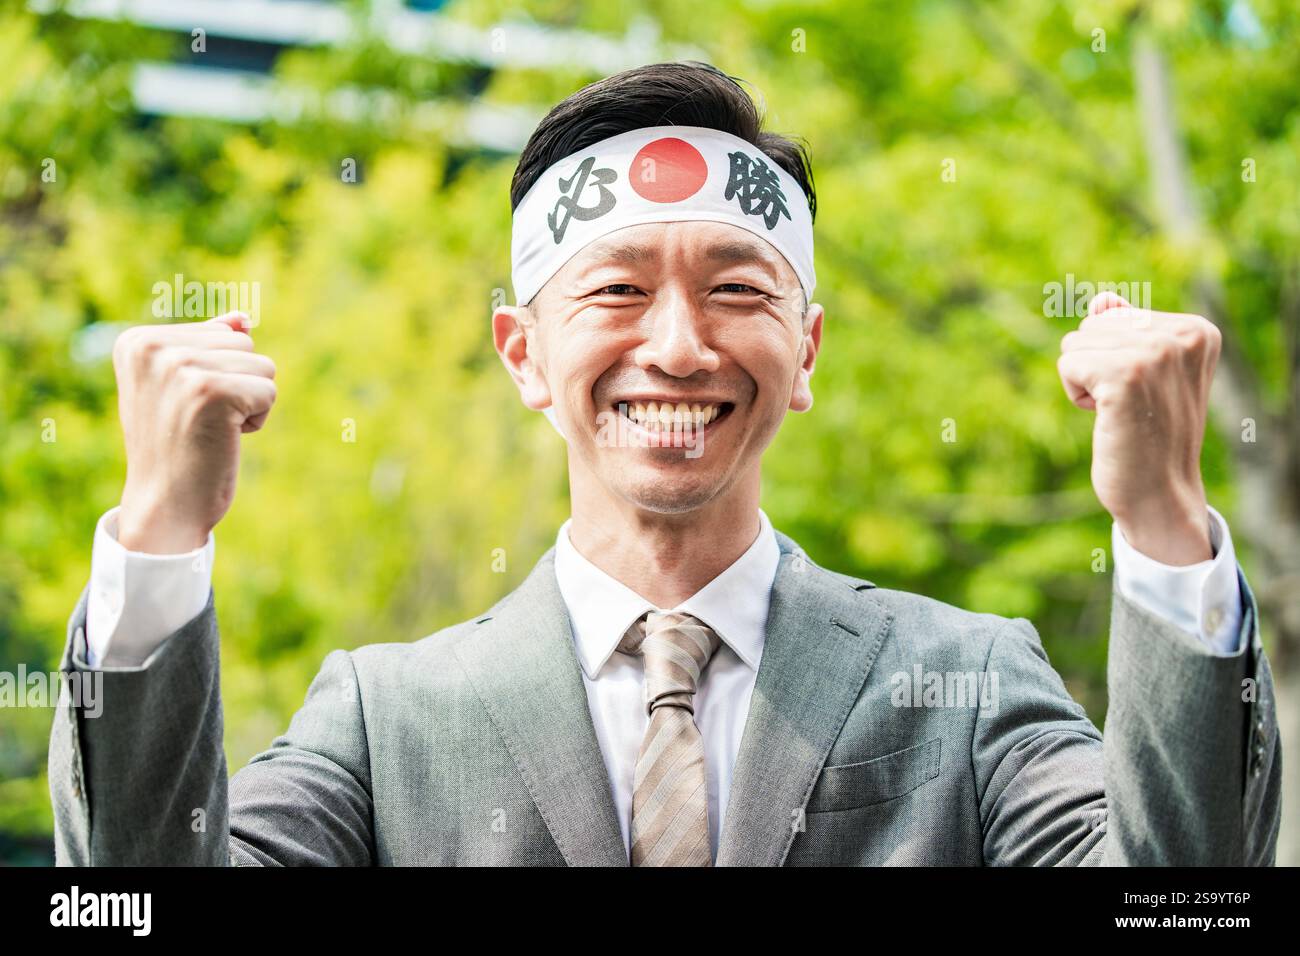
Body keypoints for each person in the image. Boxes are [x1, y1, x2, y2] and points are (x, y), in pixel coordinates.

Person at [49, 61, 1280, 866]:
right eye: (619, 290)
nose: (679, 346)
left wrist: (1165, 518)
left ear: (803, 350)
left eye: (736, 289)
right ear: (524, 353)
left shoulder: (963, 682)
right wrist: (160, 537)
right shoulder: (385, 724)